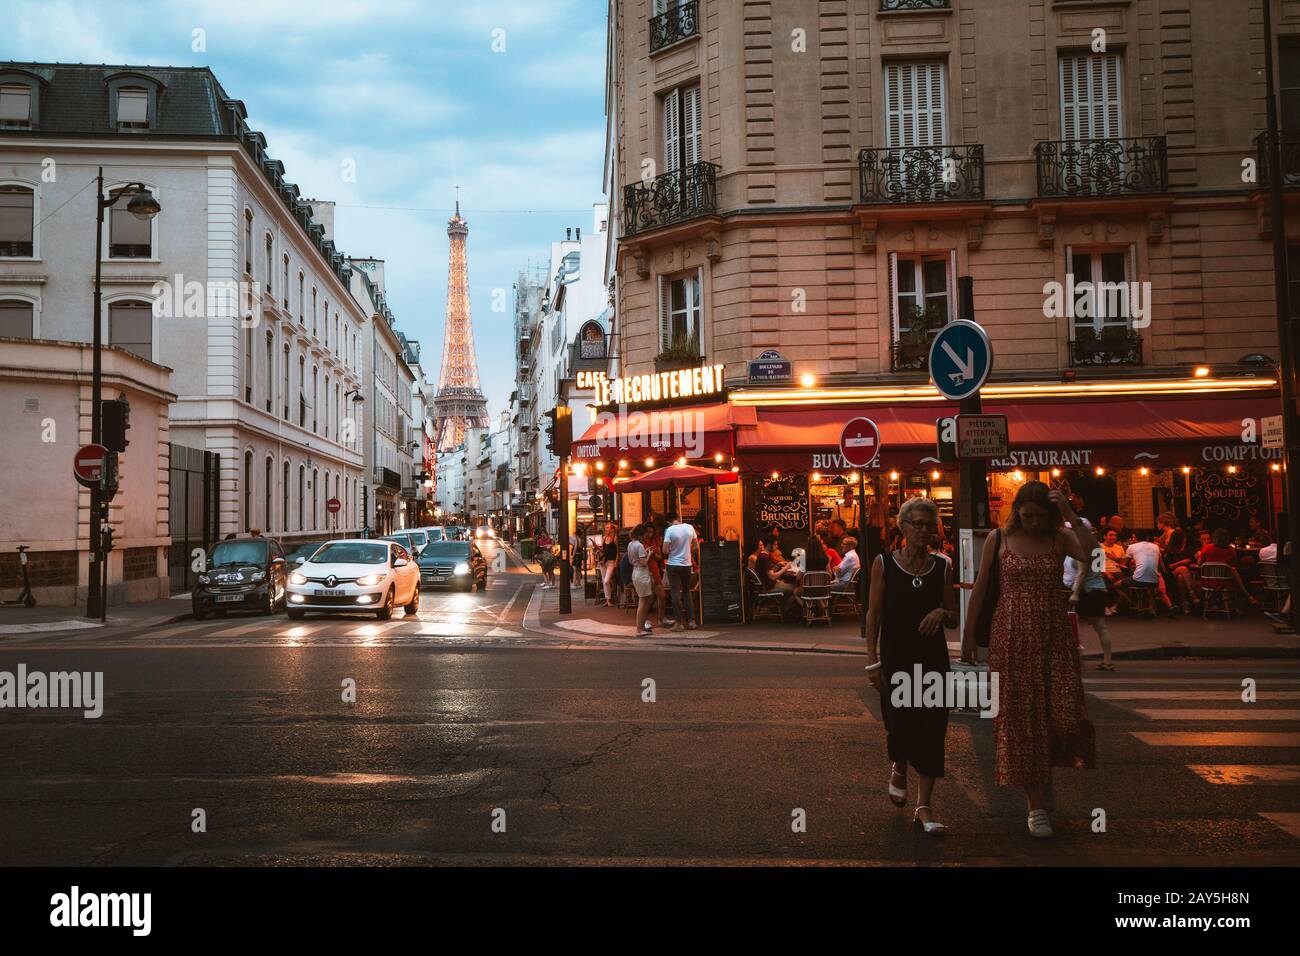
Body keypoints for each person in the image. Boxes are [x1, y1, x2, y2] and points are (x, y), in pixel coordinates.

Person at [962, 481, 1098, 839]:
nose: (1033, 522)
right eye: (1027, 515)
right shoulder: (999, 538)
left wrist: (1068, 512)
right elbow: (979, 586)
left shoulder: (1060, 537)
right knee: (1021, 719)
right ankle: (1035, 802)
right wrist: (968, 635)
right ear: (1017, 512)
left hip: (1054, 634)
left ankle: (1044, 773)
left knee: (1063, 715)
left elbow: (1091, 551)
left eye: (1040, 516)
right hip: (1011, 634)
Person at [864, 498, 958, 834]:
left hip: (932, 660)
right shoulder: (884, 564)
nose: (922, 530)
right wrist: (872, 661)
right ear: (902, 527)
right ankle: (899, 766)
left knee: (932, 730)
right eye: (915, 524)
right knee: (900, 726)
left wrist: (941, 612)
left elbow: (954, 615)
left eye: (928, 525)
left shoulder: (942, 565)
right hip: (896, 657)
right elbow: (873, 616)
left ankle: (924, 806)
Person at [1069, 548, 1114, 670]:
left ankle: (1075, 657)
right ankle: (1108, 660)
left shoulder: (1082, 550)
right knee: (1101, 627)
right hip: (1099, 588)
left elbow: (1082, 573)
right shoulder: (1098, 548)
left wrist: (1075, 593)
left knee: (1073, 623)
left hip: (1088, 590)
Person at [663, 513, 699, 631]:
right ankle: (691, 621)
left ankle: (679, 623)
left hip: (673, 564)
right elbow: (695, 546)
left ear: (669, 522)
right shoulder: (689, 527)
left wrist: (673, 550)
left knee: (675, 593)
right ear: (679, 519)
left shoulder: (669, 530)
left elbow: (665, 549)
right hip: (687, 564)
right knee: (687, 592)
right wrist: (687, 553)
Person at [1126, 528, 1174, 615]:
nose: (1132, 539)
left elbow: (1126, 565)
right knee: (1154, 587)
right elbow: (1158, 564)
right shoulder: (1156, 547)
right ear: (1147, 538)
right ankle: (1158, 607)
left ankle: (1135, 604)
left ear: (1135, 538)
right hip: (1156, 578)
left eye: (1133, 537)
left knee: (1117, 584)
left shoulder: (1131, 547)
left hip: (1140, 579)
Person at [754, 530, 798, 616]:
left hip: (770, 584)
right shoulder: (764, 557)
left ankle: (786, 610)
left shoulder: (762, 555)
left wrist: (778, 565)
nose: (777, 546)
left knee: (792, 586)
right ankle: (787, 611)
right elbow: (772, 576)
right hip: (770, 587)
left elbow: (768, 572)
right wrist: (785, 568)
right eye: (775, 544)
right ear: (769, 545)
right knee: (795, 589)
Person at [627, 524, 655, 636]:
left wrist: (645, 552)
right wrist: (649, 554)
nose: (646, 536)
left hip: (635, 572)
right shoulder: (639, 545)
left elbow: (631, 560)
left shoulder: (630, 544)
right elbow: (643, 563)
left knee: (644, 600)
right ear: (641, 534)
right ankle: (639, 629)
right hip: (642, 573)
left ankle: (642, 626)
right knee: (643, 602)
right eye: (645, 534)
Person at [600, 522, 619, 607]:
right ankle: (608, 600)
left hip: (611, 562)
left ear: (612, 529)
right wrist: (599, 550)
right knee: (604, 582)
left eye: (607, 527)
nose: (606, 529)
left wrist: (616, 562)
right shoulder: (604, 538)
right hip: (603, 562)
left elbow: (618, 552)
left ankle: (610, 599)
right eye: (605, 527)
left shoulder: (615, 538)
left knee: (607, 580)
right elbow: (603, 551)